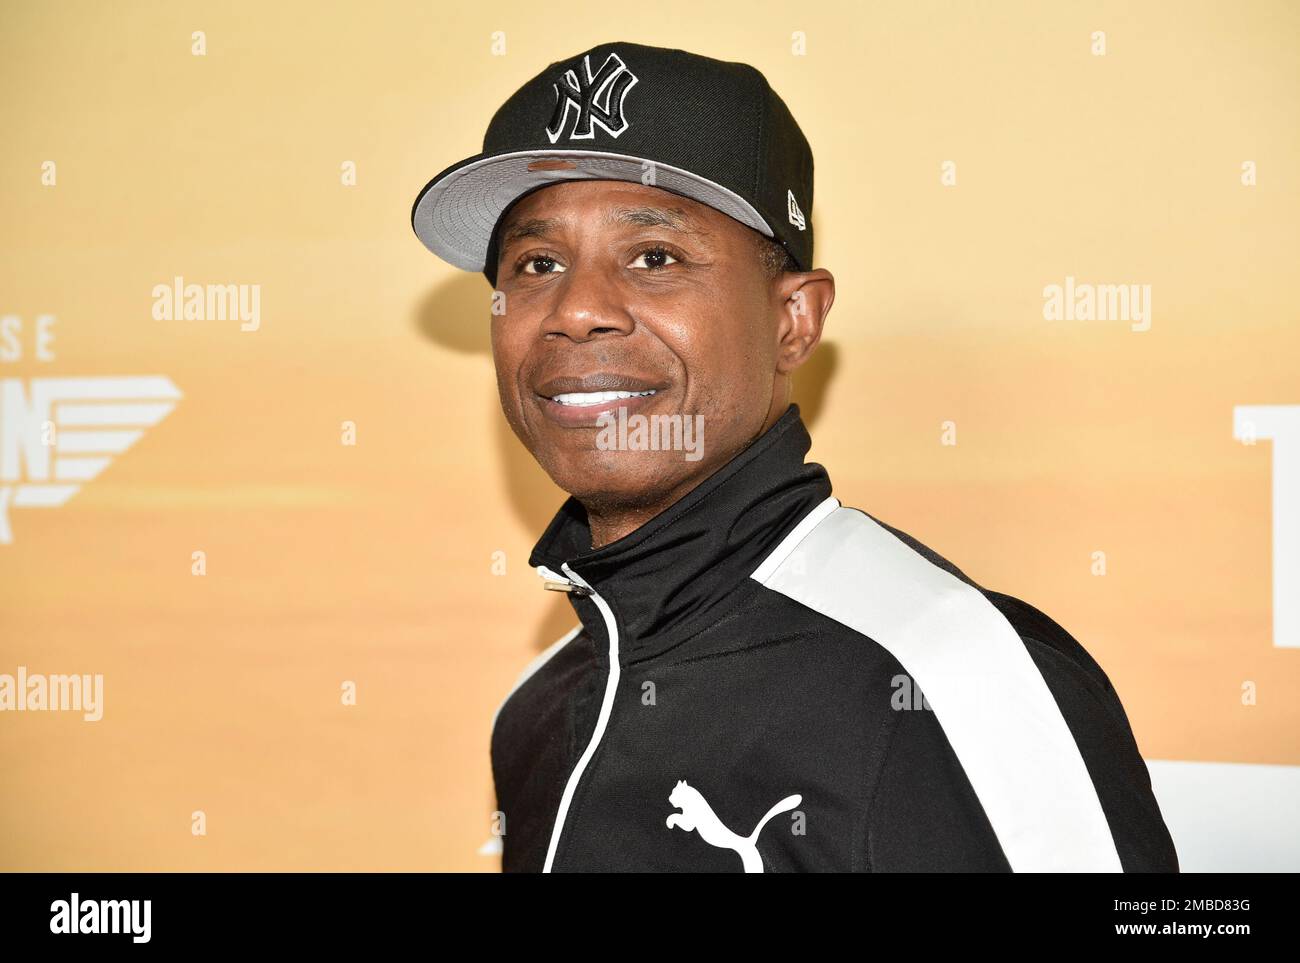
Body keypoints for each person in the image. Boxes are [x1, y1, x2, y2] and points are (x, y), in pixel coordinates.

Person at [410, 41, 1179, 872]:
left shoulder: (951, 679)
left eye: (654, 257)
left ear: (794, 321)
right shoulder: (537, 711)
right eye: (538, 263)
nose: (578, 309)